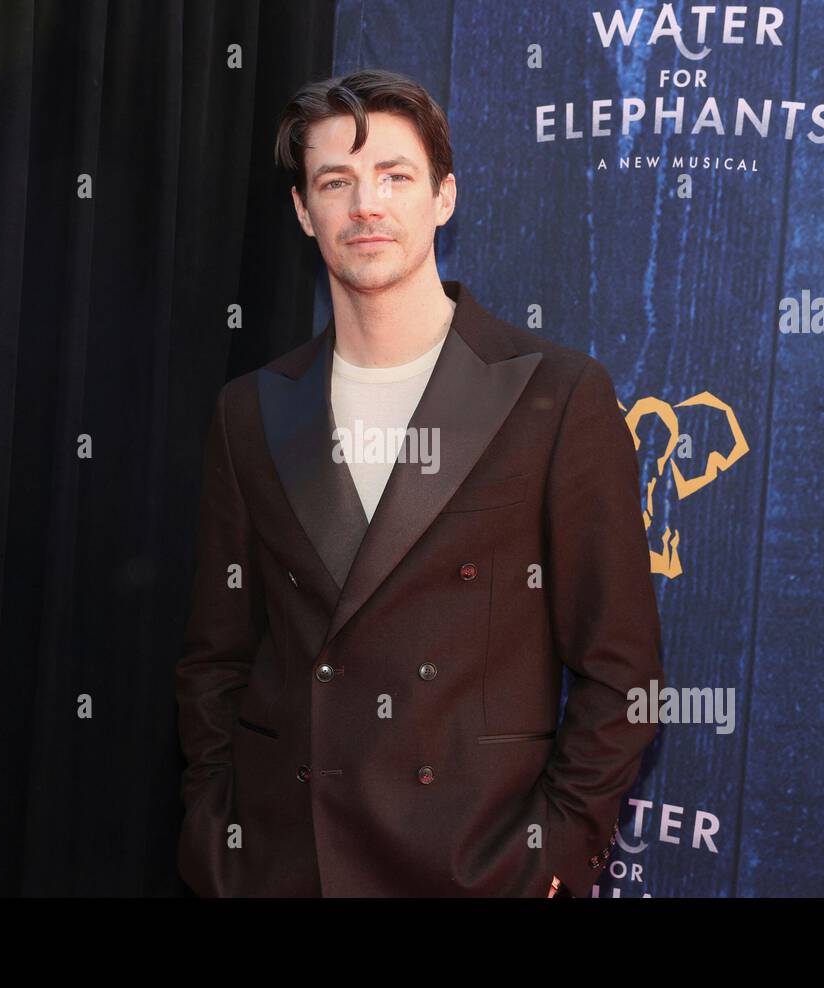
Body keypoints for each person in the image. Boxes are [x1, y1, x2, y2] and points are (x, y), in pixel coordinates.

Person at [175, 68, 663, 897]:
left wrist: (551, 861)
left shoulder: (555, 395)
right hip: (288, 867)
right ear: (304, 211)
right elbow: (216, 661)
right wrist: (217, 843)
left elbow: (626, 674)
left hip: (473, 868)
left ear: (443, 197)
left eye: (395, 176)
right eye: (336, 181)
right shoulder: (249, 412)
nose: (366, 205)